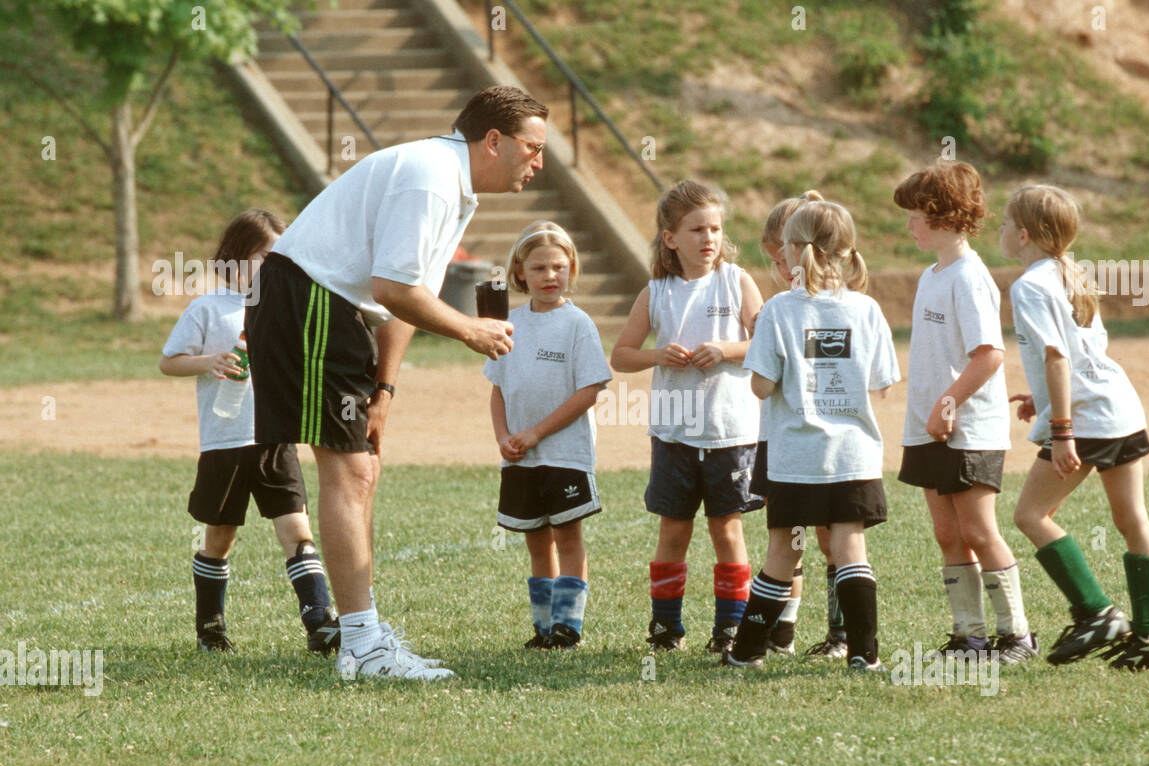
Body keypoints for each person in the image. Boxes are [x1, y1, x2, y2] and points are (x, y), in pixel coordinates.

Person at [244, 86, 547, 680]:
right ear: (494, 141)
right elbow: (391, 290)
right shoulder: (429, 176)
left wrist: (383, 392)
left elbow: (410, 298)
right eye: (533, 148)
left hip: (334, 308)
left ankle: (365, 635)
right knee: (349, 470)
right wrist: (470, 331)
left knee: (364, 468)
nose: (539, 162)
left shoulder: (453, 186)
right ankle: (361, 644)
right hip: (308, 301)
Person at [1001, 185, 1149, 670]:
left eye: (1003, 224)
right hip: (1119, 406)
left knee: (1030, 515)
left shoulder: (1029, 285)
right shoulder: (1071, 271)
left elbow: (1058, 357)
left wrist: (1060, 430)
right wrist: (1040, 401)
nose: (999, 231)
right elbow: (1078, 353)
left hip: (1085, 418)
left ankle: (1095, 612)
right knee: (1132, 519)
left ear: (1022, 235)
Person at [727, 200, 899, 670]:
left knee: (784, 551)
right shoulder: (867, 309)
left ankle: (746, 654)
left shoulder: (781, 310)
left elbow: (761, 387)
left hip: (797, 456)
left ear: (798, 249)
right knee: (850, 548)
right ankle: (864, 655)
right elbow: (880, 384)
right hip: (853, 456)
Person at [160, 209, 338, 654]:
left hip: (273, 439)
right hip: (224, 444)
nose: (272, 266)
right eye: (265, 255)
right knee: (219, 539)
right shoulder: (208, 307)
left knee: (297, 531)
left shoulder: (281, 308)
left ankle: (320, 624)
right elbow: (170, 361)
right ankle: (211, 630)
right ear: (235, 255)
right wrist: (209, 362)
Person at [892, 161, 1038, 666]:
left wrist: (949, 402)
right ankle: (969, 637)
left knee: (978, 530)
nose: (909, 224)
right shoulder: (931, 275)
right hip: (929, 429)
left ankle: (1016, 636)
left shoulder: (970, 276)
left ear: (943, 215)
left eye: (915, 215)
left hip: (969, 429)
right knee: (947, 533)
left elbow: (989, 353)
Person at [610, 180, 764, 653]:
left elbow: (764, 344)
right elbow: (621, 355)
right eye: (697, 229)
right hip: (674, 432)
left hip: (730, 431)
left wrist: (726, 350)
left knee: (727, 529)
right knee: (674, 529)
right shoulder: (657, 291)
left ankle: (730, 629)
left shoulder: (736, 280)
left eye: (715, 228)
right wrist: (657, 356)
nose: (709, 238)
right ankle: (665, 629)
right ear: (670, 238)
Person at [485, 221, 611, 650]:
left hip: (564, 455)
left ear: (572, 268)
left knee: (568, 538)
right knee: (536, 541)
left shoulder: (578, 324)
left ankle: (568, 628)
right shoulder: (507, 324)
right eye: (538, 268)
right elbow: (498, 390)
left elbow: (590, 390)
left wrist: (537, 432)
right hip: (521, 457)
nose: (550, 276)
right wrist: (504, 436)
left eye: (559, 266)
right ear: (520, 273)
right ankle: (542, 628)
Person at [756, 190, 848, 659]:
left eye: (781, 258)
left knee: (833, 538)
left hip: (824, 442)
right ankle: (781, 632)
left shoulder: (837, 307)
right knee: (787, 536)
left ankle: (841, 634)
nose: (780, 271)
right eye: (773, 262)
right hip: (780, 439)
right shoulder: (779, 309)